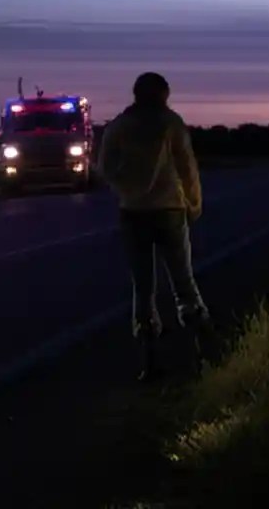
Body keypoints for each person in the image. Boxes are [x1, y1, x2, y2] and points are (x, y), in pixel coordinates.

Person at [98, 71, 217, 382]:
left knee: (143, 287)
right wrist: (194, 204)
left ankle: (149, 363)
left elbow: (105, 168)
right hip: (169, 210)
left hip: (132, 212)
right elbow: (187, 167)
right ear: (162, 94)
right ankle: (204, 354)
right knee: (183, 283)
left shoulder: (119, 126)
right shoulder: (170, 123)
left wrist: (126, 186)